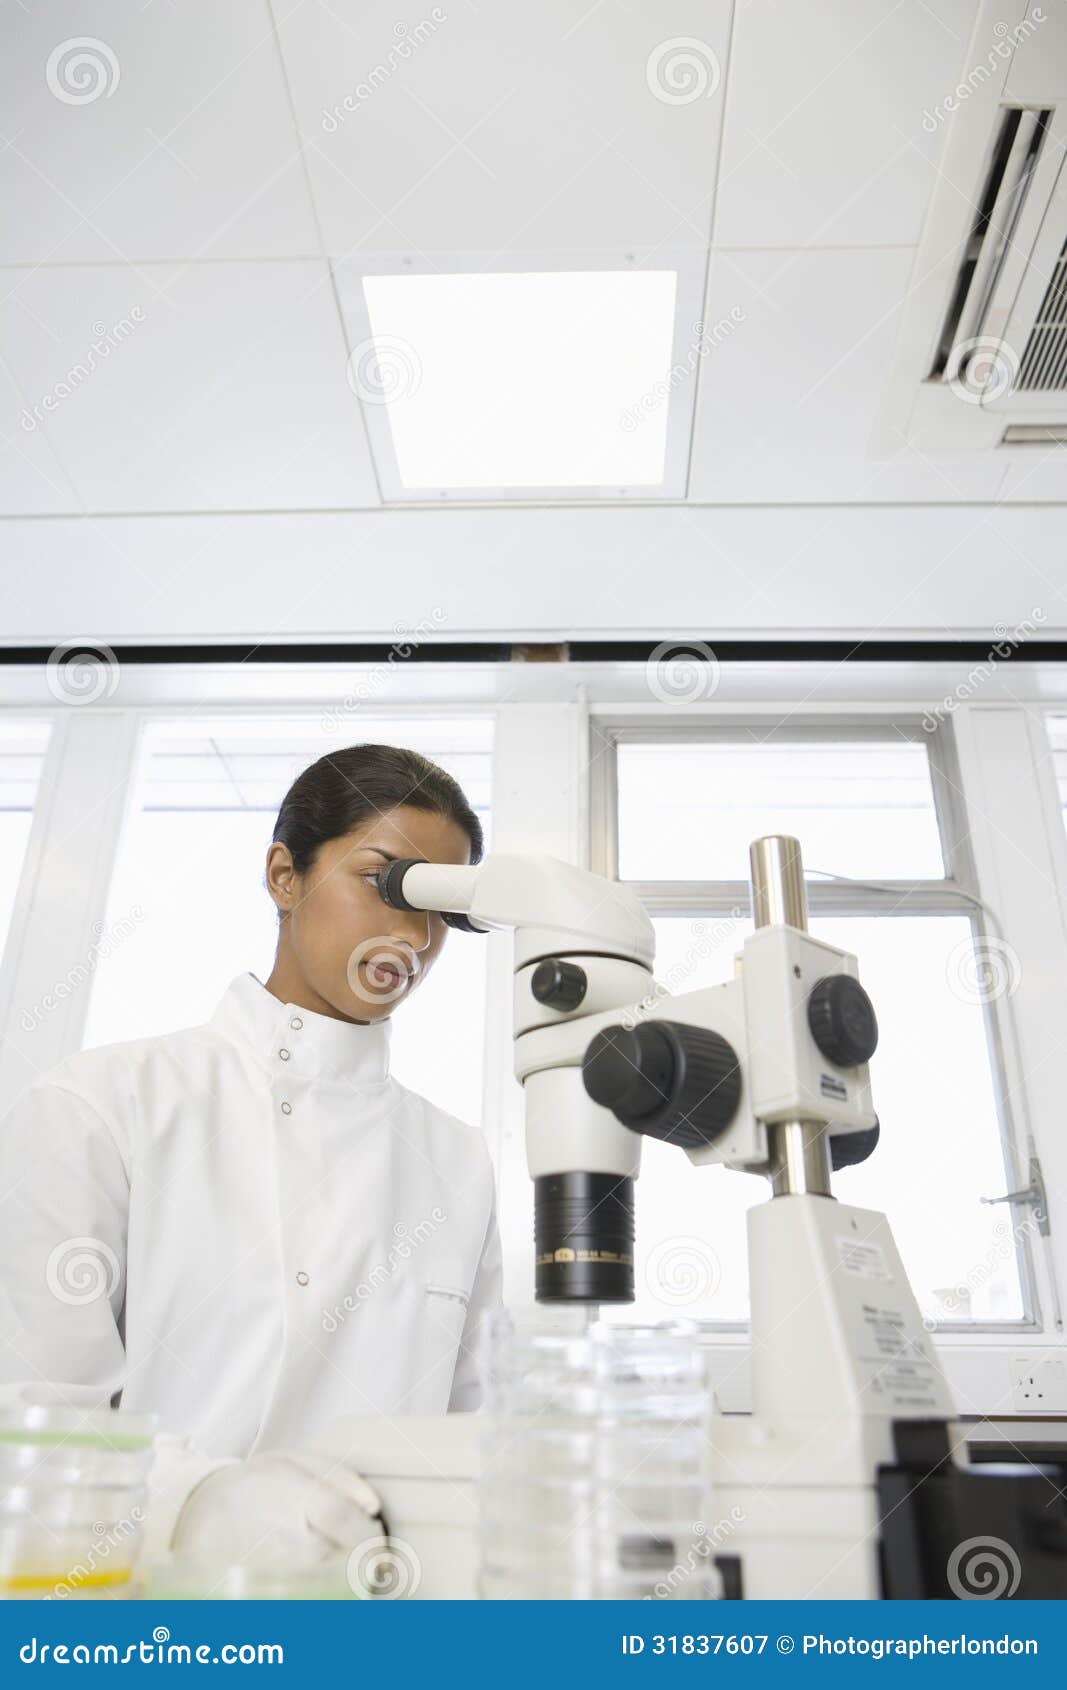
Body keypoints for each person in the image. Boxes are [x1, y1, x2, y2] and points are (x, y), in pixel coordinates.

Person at [0, 743, 503, 1564]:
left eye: (440, 909)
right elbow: (35, 1425)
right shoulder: (102, 1107)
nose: (412, 930)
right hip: (148, 1622)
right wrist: (196, 1505)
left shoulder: (455, 1160)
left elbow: (473, 1434)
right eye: (385, 880)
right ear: (284, 875)